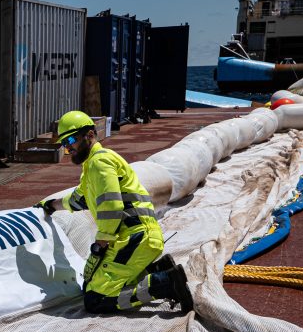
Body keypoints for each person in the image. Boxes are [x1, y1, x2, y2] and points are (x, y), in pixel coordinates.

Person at [36, 111, 193, 314]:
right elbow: (77, 199)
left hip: (134, 238)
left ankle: (167, 283)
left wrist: (101, 242)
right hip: (135, 237)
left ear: (90, 135)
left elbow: (111, 206)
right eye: (64, 143)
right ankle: (157, 270)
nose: (68, 148)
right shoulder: (91, 168)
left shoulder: (99, 163)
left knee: (95, 299)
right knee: (90, 284)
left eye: (71, 140)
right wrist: (49, 205)